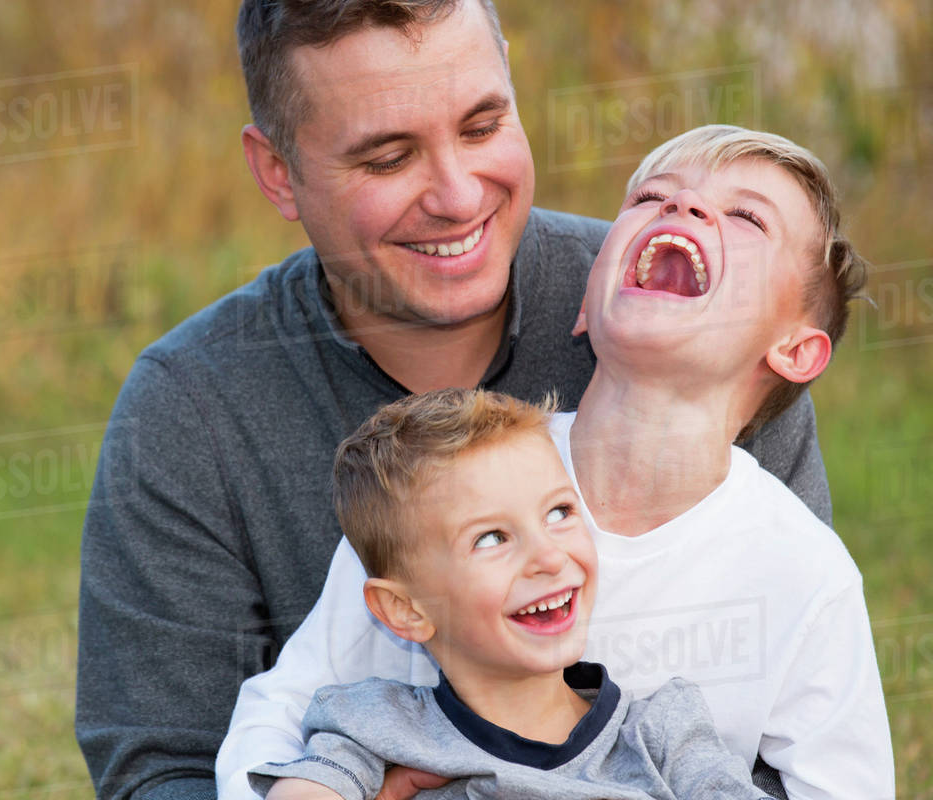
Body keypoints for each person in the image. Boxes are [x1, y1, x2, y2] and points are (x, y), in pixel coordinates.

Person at [75, 2, 833, 798]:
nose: (458, 193)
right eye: (388, 157)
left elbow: (795, 740)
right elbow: (162, 768)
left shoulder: (684, 332)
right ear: (278, 171)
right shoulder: (194, 409)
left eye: (481, 126)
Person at [217, 125, 893, 800]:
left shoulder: (804, 573)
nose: (682, 208)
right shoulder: (449, 483)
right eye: (652, 197)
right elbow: (281, 713)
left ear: (795, 352)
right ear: (585, 303)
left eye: (747, 216)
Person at [249, 388, 771, 800]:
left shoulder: (663, 734)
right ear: (405, 610)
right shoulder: (376, 727)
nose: (548, 557)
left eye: (559, 513)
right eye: (491, 538)